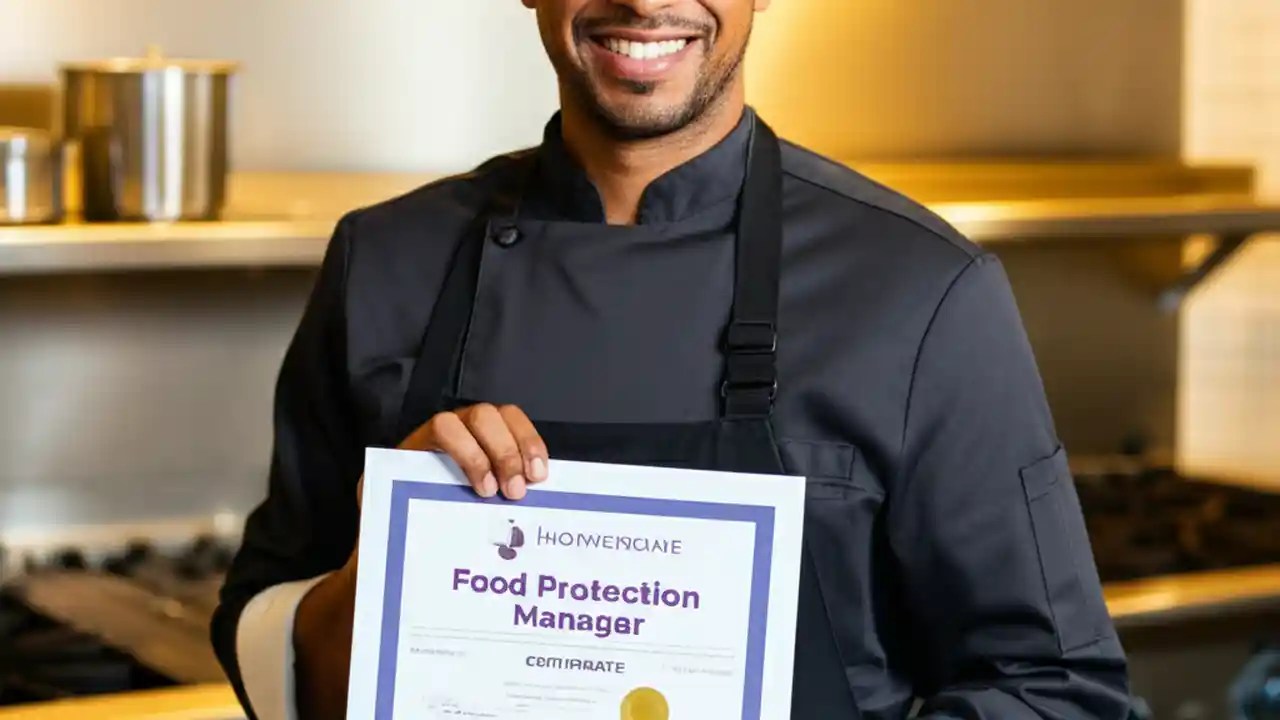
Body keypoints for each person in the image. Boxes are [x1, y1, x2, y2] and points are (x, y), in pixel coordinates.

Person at [212, 1, 1130, 718]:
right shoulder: (387, 261)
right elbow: (267, 642)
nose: (643, 1)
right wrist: (385, 566)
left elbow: (1052, 687)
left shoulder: (922, 288)